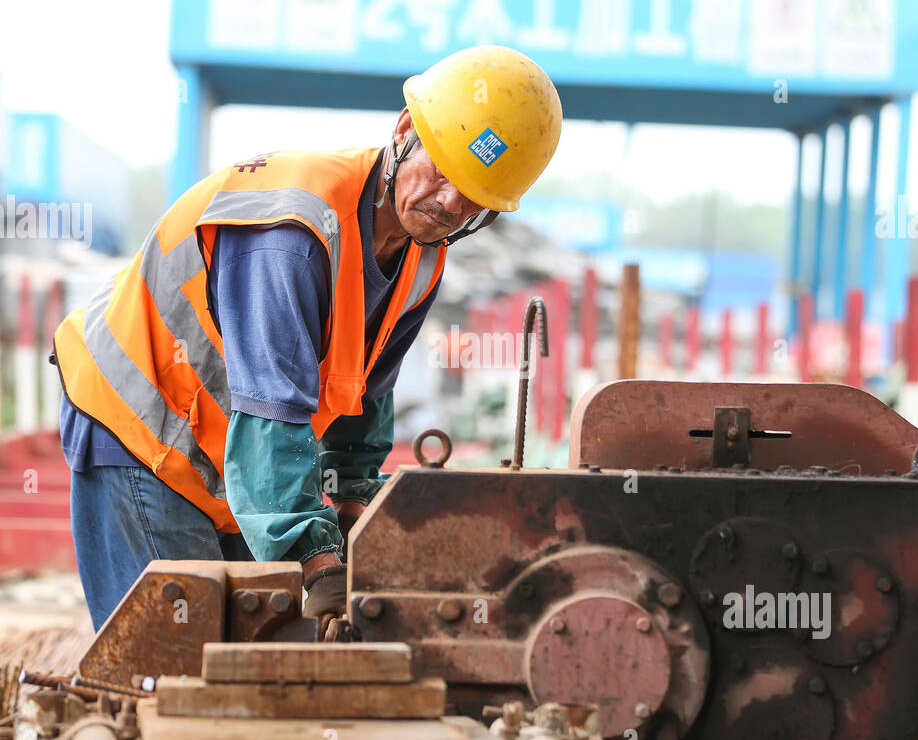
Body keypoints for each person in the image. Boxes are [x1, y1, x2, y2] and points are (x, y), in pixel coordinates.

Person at [52, 46, 563, 631]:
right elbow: (273, 409)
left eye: (475, 197)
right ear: (404, 131)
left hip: (225, 451)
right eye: (443, 171)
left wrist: (353, 509)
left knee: (249, 646)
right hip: (137, 424)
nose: (449, 203)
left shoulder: (422, 257)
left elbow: (366, 396)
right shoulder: (292, 231)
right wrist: (317, 563)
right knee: (173, 657)